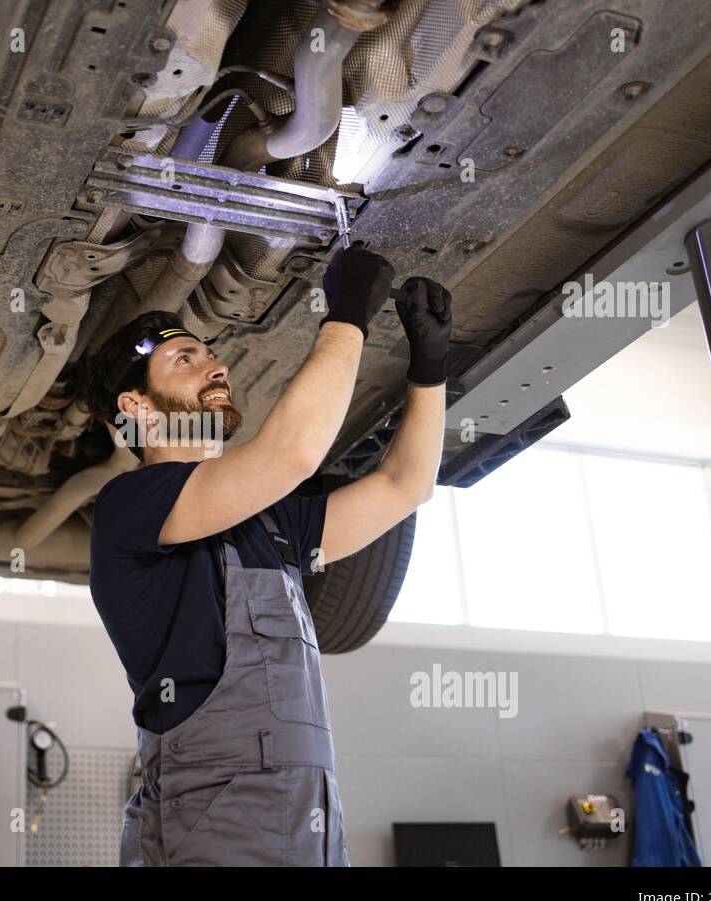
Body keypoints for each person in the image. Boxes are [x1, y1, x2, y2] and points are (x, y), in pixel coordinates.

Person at [81, 246, 452, 865]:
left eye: (209, 352)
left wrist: (431, 371)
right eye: (186, 359)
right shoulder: (130, 505)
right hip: (216, 803)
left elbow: (403, 487)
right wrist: (346, 317)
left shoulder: (268, 520)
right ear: (137, 407)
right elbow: (292, 455)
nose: (215, 365)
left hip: (304, 812)